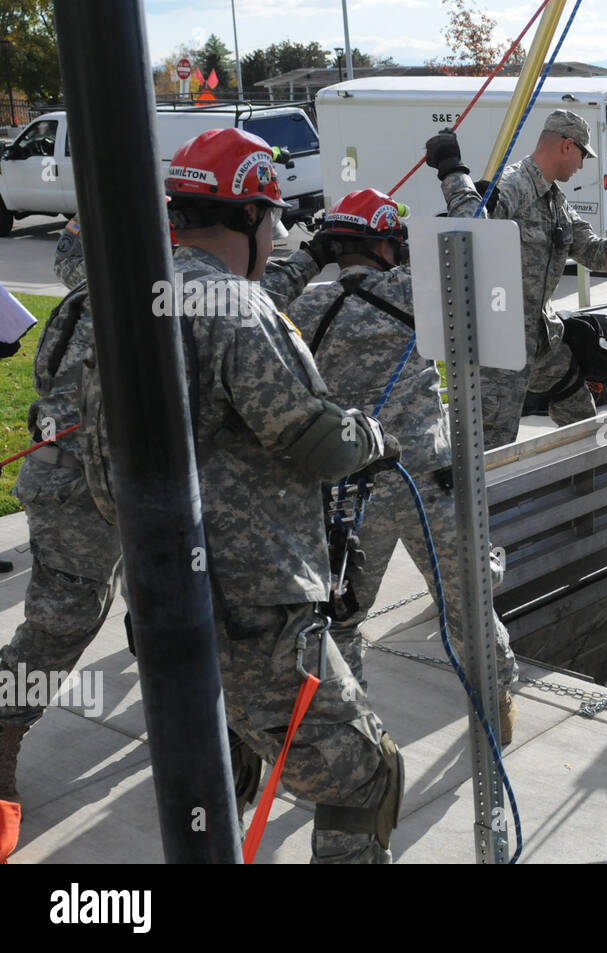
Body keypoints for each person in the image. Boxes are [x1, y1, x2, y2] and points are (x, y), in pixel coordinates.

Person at [1, 196, 328, 811]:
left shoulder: (154, 278)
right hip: (76, 479)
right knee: (61, 622)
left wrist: (313, 255)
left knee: (176, 613)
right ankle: (2, 726)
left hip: (141, 479)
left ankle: (202, 739)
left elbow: (247, 297)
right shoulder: (141, 287)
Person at [162, 127, 403, 862]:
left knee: (219, 762)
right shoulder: (237, 307)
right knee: (366, 775)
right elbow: (317, 441)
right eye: (272, 219)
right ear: (249, 219)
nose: (275, 234)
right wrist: (372, 437)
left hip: (169, 592)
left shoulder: (126, 296)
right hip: (256, 605)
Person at [288, 188, 520, 742]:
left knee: (340, 618)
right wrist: (453, 177)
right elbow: (477, 239)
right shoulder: (416, 292)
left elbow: (252, 296)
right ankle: (497, 696)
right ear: (390, 245)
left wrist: (308, 258)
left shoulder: (308, 306)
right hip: (428, 484)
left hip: (348, 491)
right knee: (467, 604)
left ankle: (349, 728)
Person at [426, 110, 607, 449]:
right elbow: (468, 226)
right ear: (566, 146)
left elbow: (599, 255)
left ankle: (587, 482)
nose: (582, 166)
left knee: (582, 420)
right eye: (582, 155)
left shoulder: (556, 201)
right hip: (501, 343)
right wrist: (453, 171)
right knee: (493, 445)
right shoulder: (513, 185)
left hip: (543, 340)